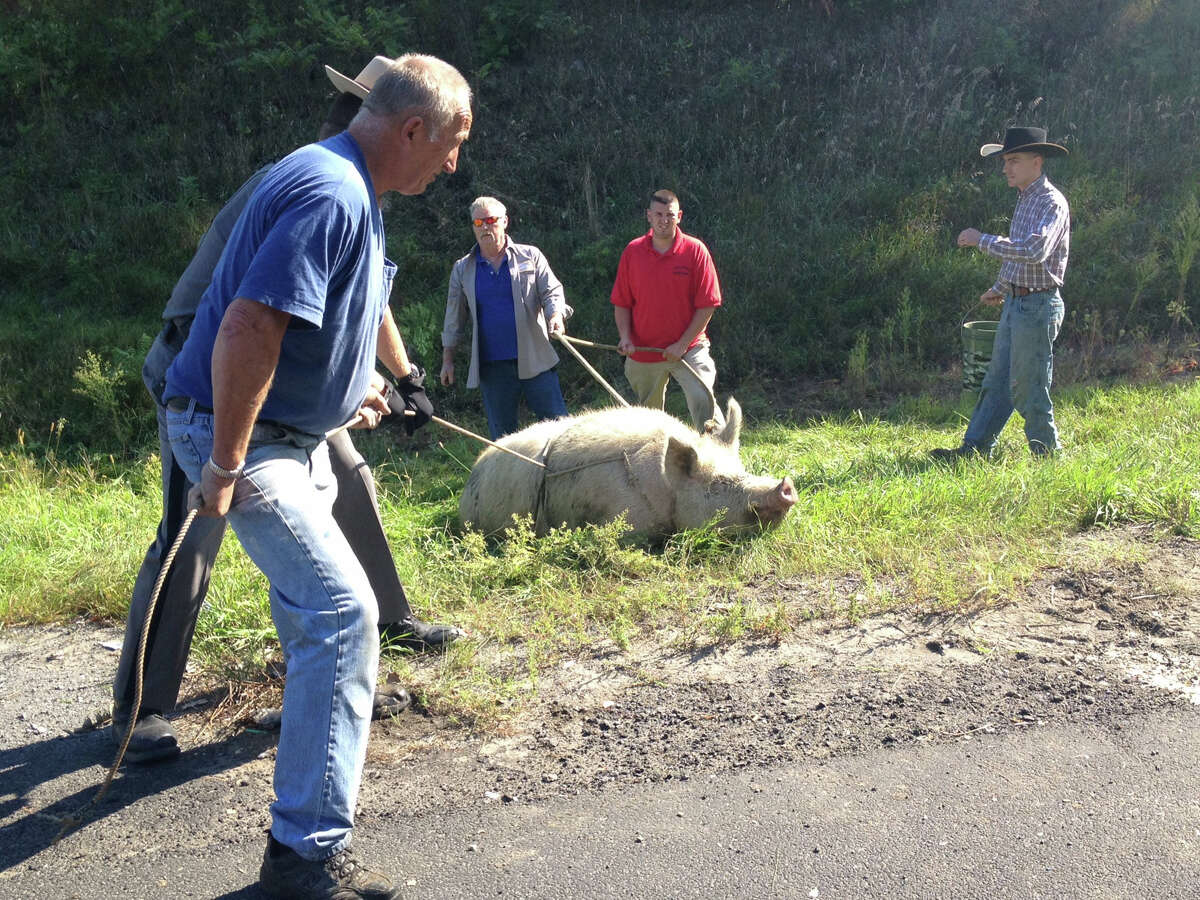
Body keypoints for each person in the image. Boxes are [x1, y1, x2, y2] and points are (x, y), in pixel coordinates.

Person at [159, 54, 472, 899]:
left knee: (319, 617)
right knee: (342, 612)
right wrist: (224, 465)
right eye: (449, 146)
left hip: (293, 434)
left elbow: (329, 317)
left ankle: (305, 788)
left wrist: (358, 388)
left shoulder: (352, 188)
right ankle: (301, 864)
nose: (451, 166)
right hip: (247, 439)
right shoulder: (330, 190)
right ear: (411, 129)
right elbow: (248, 328)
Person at [931, 126, 1070, 461]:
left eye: (1014, 160)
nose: (1006, 168)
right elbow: (1019, 254)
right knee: (996, 383)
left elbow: (1034, 250)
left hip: (1038, 306)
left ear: (1037, 162)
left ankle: (1048, 457)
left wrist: (981, 239)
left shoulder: (1050, 202)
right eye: (1005, 161)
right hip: (1017, 303)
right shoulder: (1025, 199)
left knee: (1029, 386)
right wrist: (1000, 287)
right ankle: (974, 451)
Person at [440, 196, 570, 439]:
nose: (485, 227)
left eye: (490, 220)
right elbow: (453, 317)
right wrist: (448, 360)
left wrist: (555, 315)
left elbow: (552, 290)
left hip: (536, 358)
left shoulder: (530, 256)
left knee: (559, 429)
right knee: (503, 440)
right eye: (478, 223)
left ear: (505, 222)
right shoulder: (462, 268)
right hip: (492, 368)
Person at [610, 189, 724, 431]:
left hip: (690, 348)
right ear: (648, 216)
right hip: (643, 351)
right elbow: (622, 302)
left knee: (704, 399)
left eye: (670, 215)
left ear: (679, 216)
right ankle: (655, 465)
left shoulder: (695, 251)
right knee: (648, 422)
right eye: (659, 214)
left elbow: (707, 305)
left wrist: (682, 345)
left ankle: (722, 461)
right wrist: (625, 338)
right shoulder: (633, 251)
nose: (664, 220)